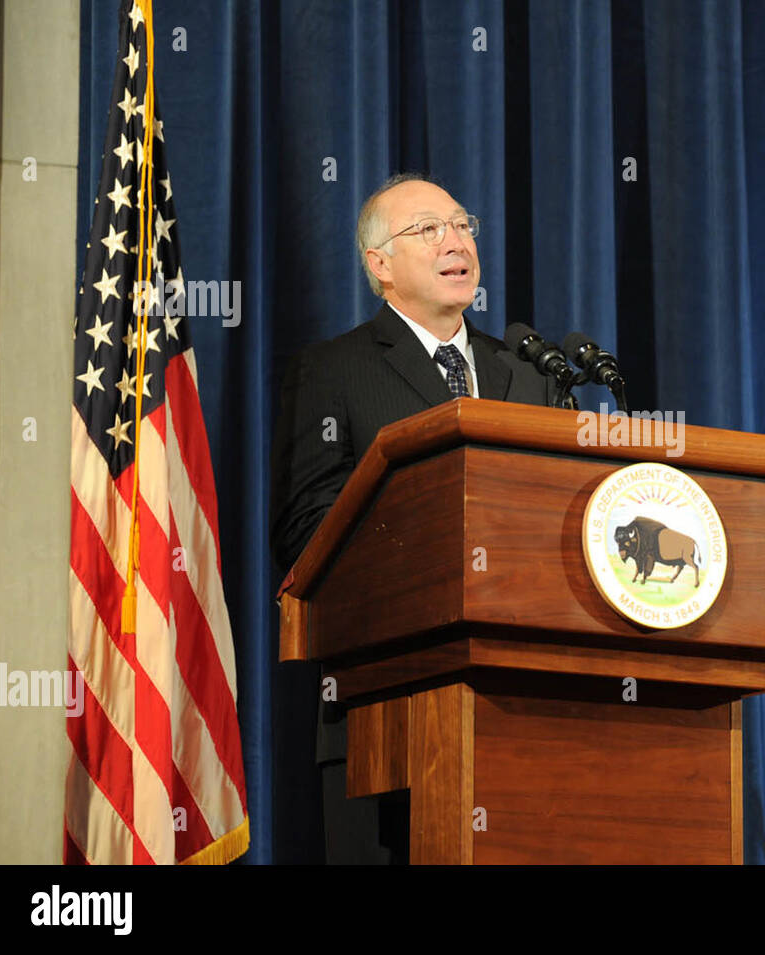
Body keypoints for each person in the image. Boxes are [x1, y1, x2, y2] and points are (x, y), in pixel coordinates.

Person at [269, 172, 559, 863]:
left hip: (524, 710)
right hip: (384, 716)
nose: (455, 241)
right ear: (380, 265)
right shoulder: (332, 369)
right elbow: (307, 531)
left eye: (462, 225)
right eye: (429, 229)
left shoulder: (528, 372)